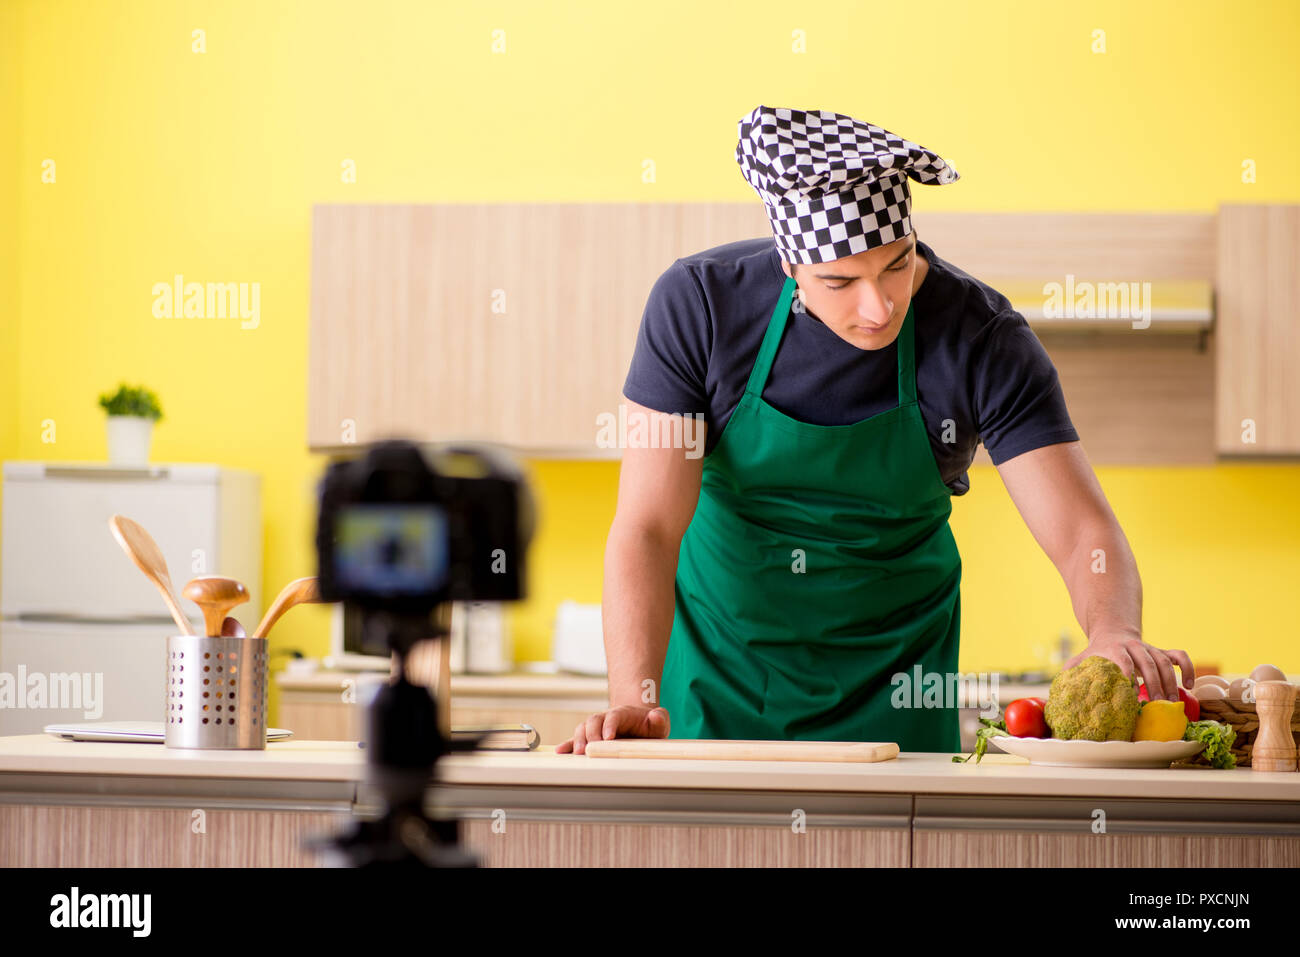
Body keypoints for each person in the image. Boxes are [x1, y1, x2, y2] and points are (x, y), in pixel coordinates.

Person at [558, 105, 1192, 755]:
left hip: (897, 704)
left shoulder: (980, 338)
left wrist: (1113, 625)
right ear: (791, 265)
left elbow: (1082, 530)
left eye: (897, 264)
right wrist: (634, 698)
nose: (878, 305)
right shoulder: (698, 307)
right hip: (715, 690)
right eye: (840, 281)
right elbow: (649, 528)